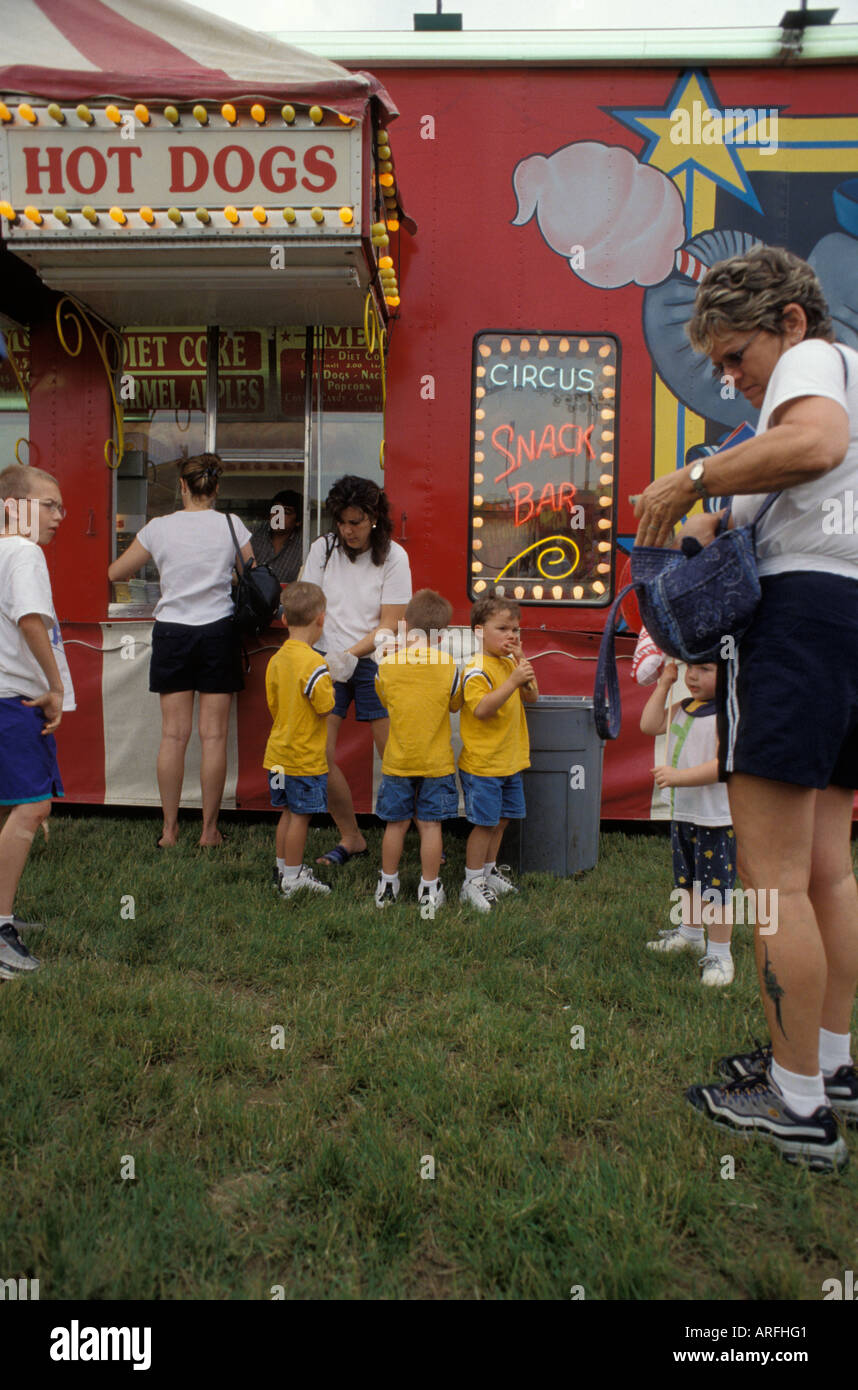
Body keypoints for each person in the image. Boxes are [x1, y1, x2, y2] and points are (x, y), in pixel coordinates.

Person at [635, 244, 858, 1171]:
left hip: (801, 623)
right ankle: (834, 1067)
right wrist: (725, 508)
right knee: (826, 874)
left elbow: (815, 446)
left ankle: (793, 1098)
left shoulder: (812, 366)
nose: (731, 380)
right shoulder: (843, 376)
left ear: (792, 322)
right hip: (847, 618)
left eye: (736, 357)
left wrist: (690, 482)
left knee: (767, 876)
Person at [108, 453, 253, 848]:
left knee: (173, 736)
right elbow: (251, 573)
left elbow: (116, 572)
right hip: (218, 632)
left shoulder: (159, 528)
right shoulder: (231, 525)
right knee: (214, 737)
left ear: (183, 487)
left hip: (172, 632)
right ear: (216, 488)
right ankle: (209, 831)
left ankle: (169, 831)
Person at [300, 475, 411, 867]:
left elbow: (392, 623)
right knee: (319, 754)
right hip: (326, 658)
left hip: (373, 660)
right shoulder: (322, 549)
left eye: (356, 522)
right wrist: (320, 655)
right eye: (343, 522)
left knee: (395, 758)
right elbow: (305, 605)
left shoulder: (395, 556)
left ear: (375, 518)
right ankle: (352, 836)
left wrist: (349, 654)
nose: (348, 531)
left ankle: (421, 829)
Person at [0, 464, 74, 978]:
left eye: (60, 506)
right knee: (31, 805)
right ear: (14, 506)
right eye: (48, 505)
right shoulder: (24, 552)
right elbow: (30, 620)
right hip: (15, 699)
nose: (59, 517)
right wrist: (55, 687)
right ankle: (1, 926)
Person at [640, 660, 737, 987]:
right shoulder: (684, 707)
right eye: (690, 667)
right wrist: (664, 685)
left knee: (717, 890)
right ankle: (690, 934)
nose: (693, 675)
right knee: (687, 880)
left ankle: (721, 954)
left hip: (715, 818)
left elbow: (723, 764)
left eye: (706, 669)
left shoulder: (728, 713)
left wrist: (679, 777)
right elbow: (649, 726)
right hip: (683, 814)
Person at [373, 589, 463, 913]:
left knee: (395, 825)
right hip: (436, 763)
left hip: (397, 760)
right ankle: (428, 888)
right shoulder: (450, 666)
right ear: (442, 633)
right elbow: (455, 704)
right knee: (430, 826)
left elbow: (385, 700)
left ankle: (387, 884)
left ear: (405, 624)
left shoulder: (387, 665)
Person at [458, 596, 538, 912]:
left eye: (516, 629)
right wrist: (513, 681)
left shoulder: (510, 663)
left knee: (503, 819)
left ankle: (489, 872)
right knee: (485, 823)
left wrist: (523, 667)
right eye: (502, 628)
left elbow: (532, 696)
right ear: (479, 631)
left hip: (510, 759)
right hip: (484, 763)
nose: (512, 635)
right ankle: (472, 881)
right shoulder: (476, 668)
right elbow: (481, 709)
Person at [263, 581, 334, 898]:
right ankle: (292, 879)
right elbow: (325, 707)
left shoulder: (276, 659)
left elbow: (273, 703)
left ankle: (282, 868)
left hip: (276, 755)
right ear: (321, 619)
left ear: (284, 620)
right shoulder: (315, 664)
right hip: (303, 758)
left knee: (287, 813)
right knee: (301, 817)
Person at [251, 489, 303, 585]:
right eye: (276, 510)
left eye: (286, 512)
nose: (278, 516)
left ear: (298, 521)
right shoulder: (253, 533)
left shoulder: (303, 547)